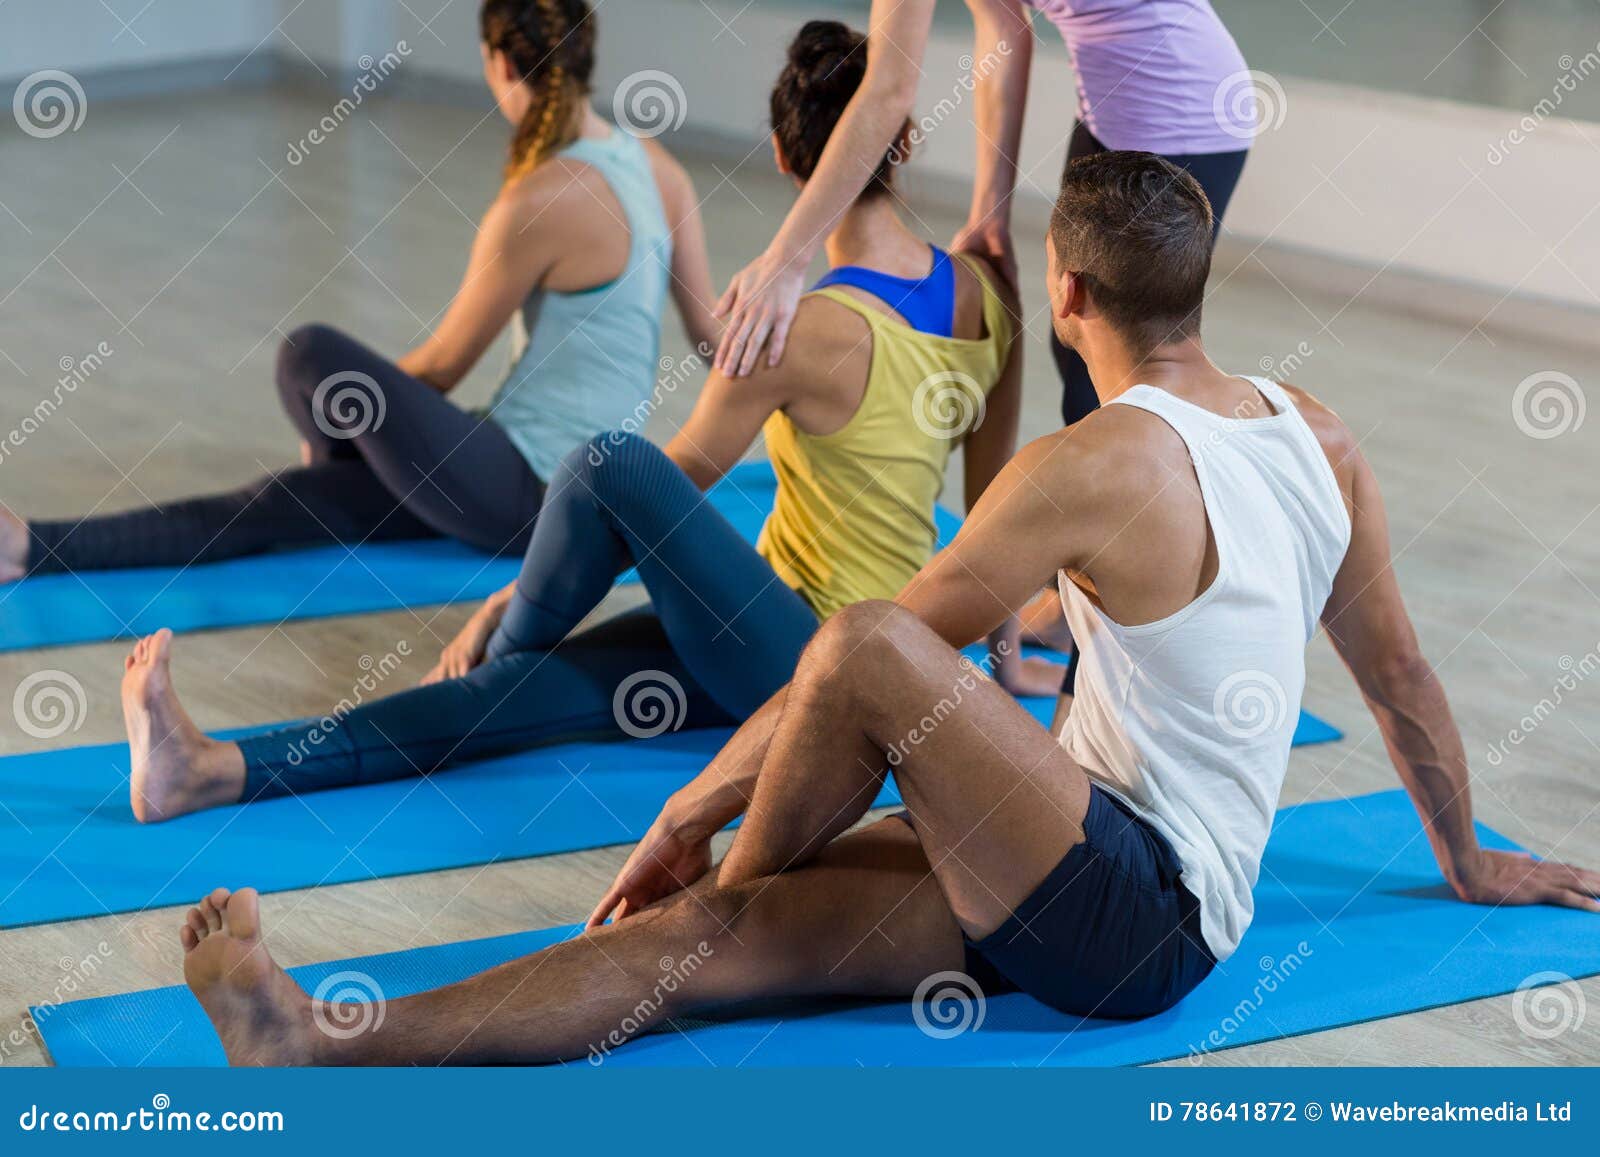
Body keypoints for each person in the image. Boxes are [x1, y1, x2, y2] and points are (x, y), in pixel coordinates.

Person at [173, 152, 1599, 1066]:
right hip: (1053, 853)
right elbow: (1402, 677)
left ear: (1067, 289)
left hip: (1135, 914)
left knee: (863, 643)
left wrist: (691, 811)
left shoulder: (1091, 464)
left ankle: (721, 880)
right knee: (701, 954)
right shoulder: (1321, 437)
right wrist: (1464, 855)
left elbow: (867, 665)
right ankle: (312, 1036)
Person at [118, 21, 1055, 825]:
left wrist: (514, 597)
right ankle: (207, 769)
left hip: (810, 662)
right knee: (515, 694)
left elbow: (663, 481)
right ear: (901, 140)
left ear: (782, 156)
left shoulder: (792, 329)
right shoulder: (988, 295)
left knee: (611, 465)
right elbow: (991, 514)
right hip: (796, 641)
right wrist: (1005, 661)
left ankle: (509, 633)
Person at [0, 0, 718, 584]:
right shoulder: (659, 167)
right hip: (567, 488)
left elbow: (442, 367)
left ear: (501, 64)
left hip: (525, 495)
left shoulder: (538, 201)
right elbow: (715, 340)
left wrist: (354, 431)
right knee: (284, 503)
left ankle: (34, 544)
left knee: (309, 355)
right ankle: (32, 545)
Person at [714, 0, 1254, 418]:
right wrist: (989, 213)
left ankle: (1159, 517)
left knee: (1120, 366)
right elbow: (1004, 29)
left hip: (1181, 111)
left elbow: (889, 89)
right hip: (1112, 109)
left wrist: (786, 259)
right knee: (1078, 344)